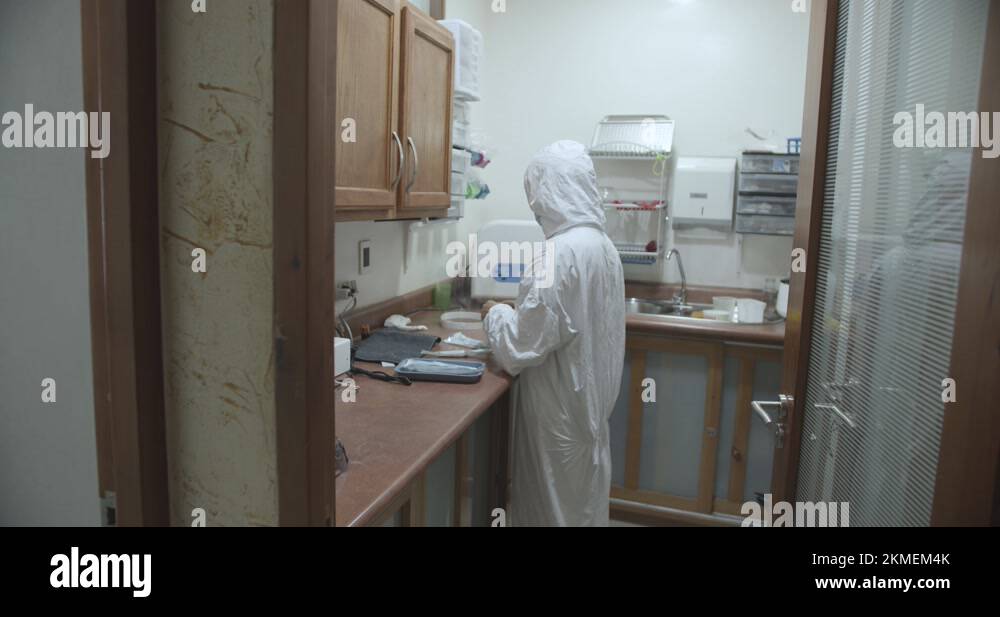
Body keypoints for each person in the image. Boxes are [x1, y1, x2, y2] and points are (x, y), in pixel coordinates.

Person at [481, 140, 626, 526]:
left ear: (549, 191)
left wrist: (494, 313)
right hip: (589, 418)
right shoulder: (603, 248)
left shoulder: (558, 254)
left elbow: (518, 347)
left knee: (550, 514)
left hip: (557, 420)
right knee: (581, 512)